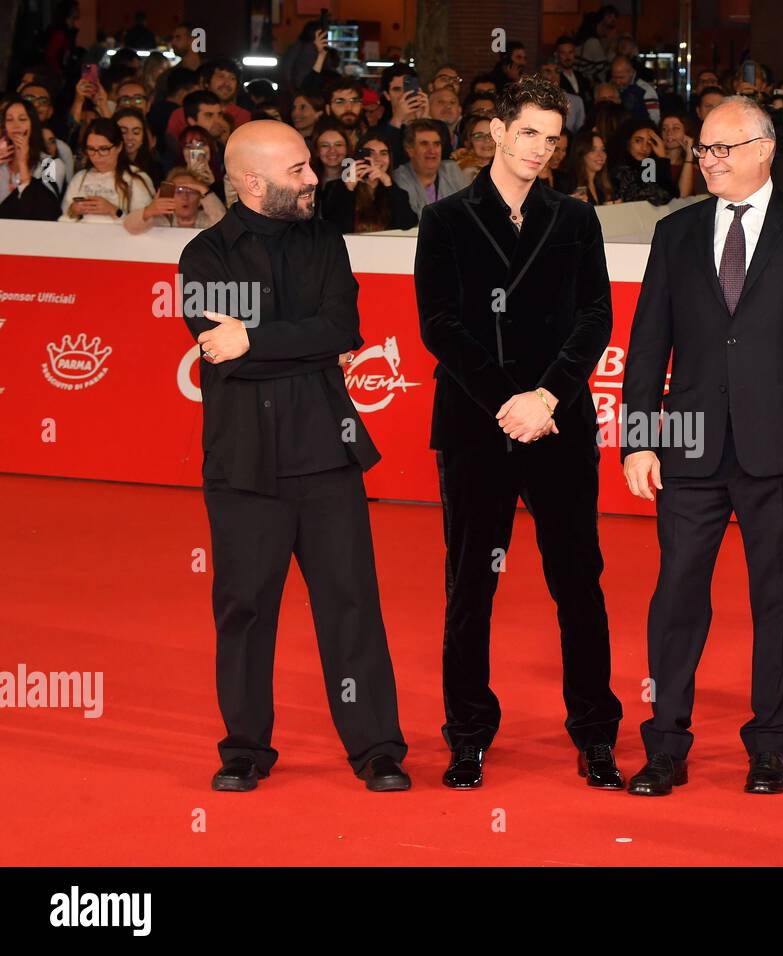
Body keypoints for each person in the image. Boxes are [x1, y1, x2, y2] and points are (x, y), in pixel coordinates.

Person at [620, 95, 783, 796]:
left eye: (723, 149)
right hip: (687, 449)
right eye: (702, 150)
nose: (710, 161)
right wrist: (639, 439)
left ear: (763, 149)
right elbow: (645, 346)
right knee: (676, 598)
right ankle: (665, 743)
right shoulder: (676, 231)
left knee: (781, 599)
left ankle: (770, 744)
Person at [177, 120, 410, 793]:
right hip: (244, 463)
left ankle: (376, 748)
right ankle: (245, 748)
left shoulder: (325, 241)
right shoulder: (204, 257)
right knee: (244, 607)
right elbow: (223, 351)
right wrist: (279, 345)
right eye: (299, 170)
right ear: (254, 182)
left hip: (327, 455)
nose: (315, 179)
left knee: (351, 603)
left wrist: (254, 340)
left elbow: (343, 329)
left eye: (311, 166)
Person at [413, 77, 624, 790]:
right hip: (476, 426)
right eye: (529, 132)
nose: (541, 148)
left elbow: (595, 317)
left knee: (578, 582)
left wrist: (545, 396)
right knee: (470, 585)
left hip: (558, 423)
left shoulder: (575, 219)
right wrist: (508, 400)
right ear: (496, 131)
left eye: (552, 137)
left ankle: (595, 732)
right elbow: (439, 324)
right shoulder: (444, 221)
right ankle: (467, 733)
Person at [320, 133, 419, 233]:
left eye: (383, 153)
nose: (377, 159)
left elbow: (407, 224)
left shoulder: (395, 190)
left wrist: (388, 183)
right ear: (359, 156)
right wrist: (348, 189)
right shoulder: (334, 187)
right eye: (370, 153)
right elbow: (335, 228)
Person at [61, 118, 154, 222]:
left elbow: (145, 222)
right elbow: (64, 220)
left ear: (119, 147)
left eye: (104, 149)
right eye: (91, 149)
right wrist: (73, 211)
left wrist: (112, 210)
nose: (97, 156)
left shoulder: (135, 179)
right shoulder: (79, 178)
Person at [391, 118, 469, 219]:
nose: (432, 150)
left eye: (436, 144)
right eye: (424, 144)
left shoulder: (451, 169)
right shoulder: (400, 177)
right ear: (410, 150)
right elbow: (414, 220)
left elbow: (469, 209)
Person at [0, 96, 64, 220]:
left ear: (33, 124)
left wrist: (23, 163)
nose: (16, 125)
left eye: (22, 119)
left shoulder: (49, 164)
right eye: (9, 120)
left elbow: (47, 209)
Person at [124, 165, 225, 232]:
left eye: (191, 191)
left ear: (200, 200)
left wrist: (205, 190)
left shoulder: (208, 220)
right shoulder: (161, 222)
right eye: (179, 191)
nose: (185, 197)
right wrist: (149, 210)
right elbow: (129, 226)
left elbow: (225, 225)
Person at [568, 130, 613, 204]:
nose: (600, 155)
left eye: (603, 149)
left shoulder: (603, 184)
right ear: (581, 154)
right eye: (593, 150)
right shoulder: (570, 183)